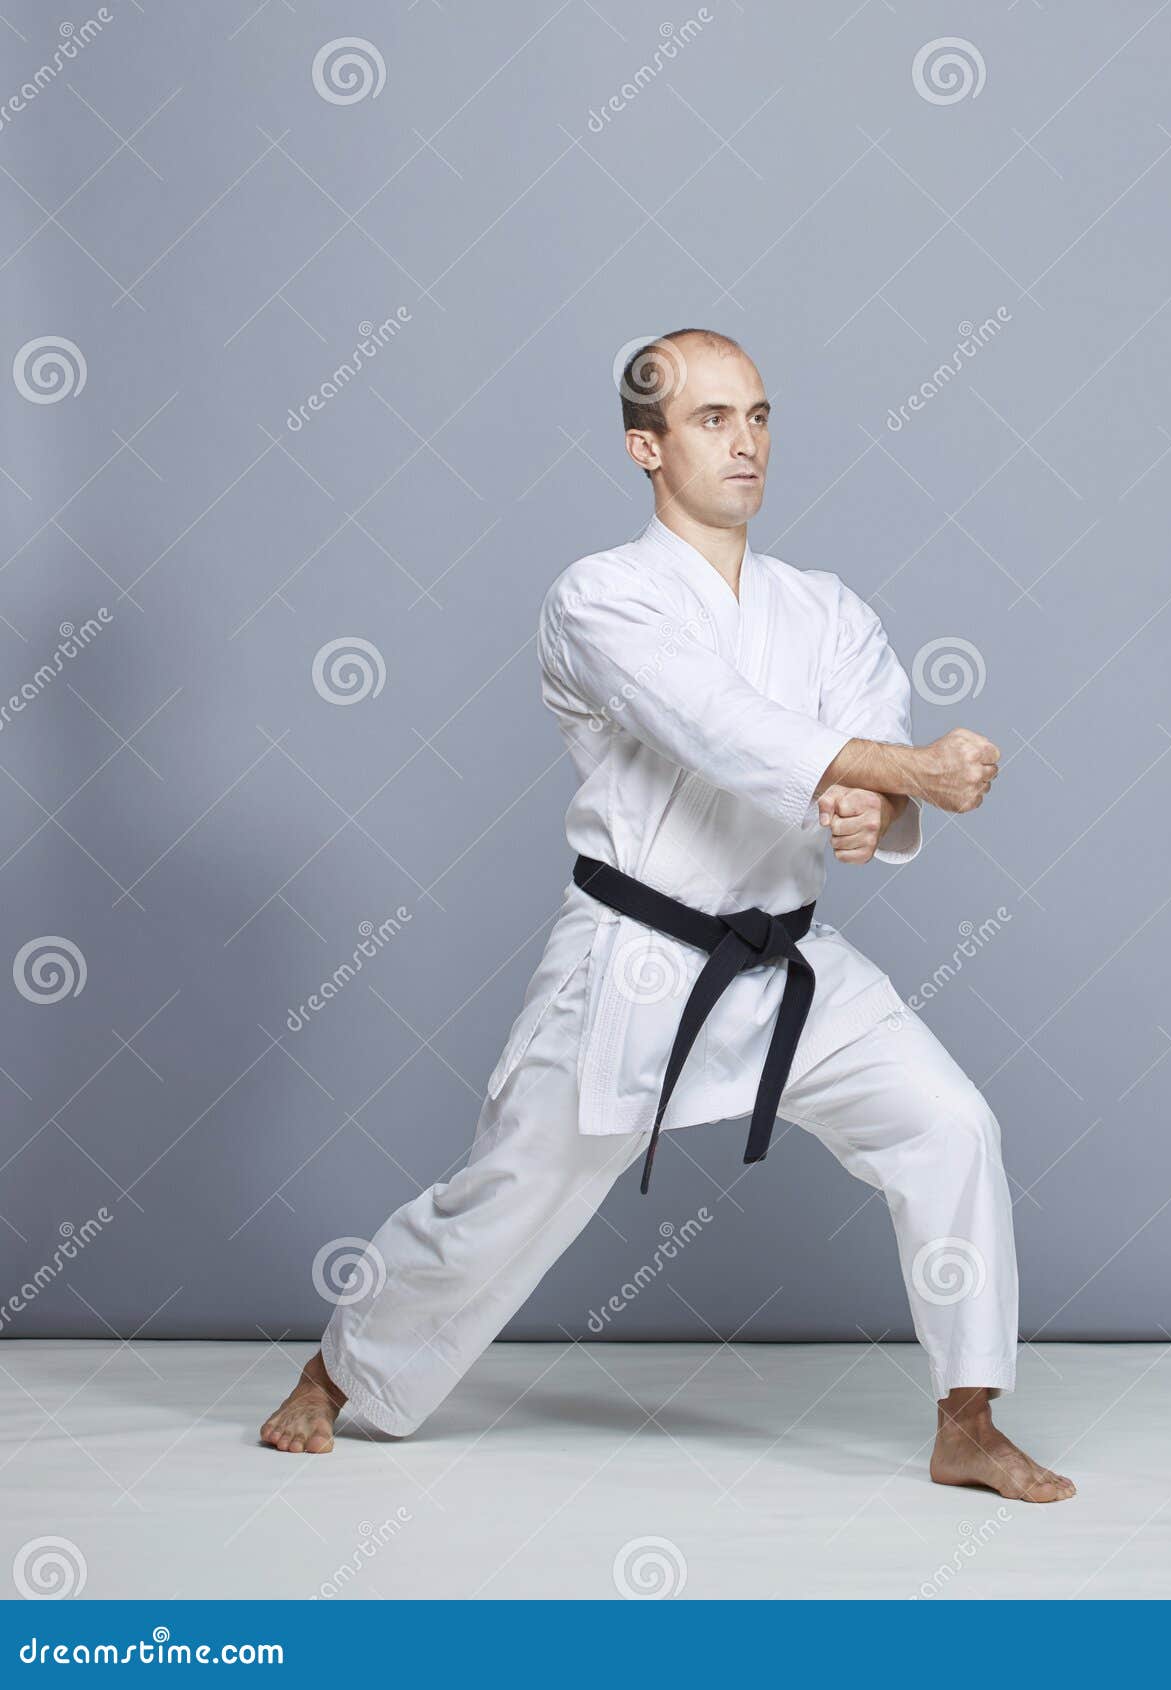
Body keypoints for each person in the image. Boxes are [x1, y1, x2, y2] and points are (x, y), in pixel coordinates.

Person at [259, 328, 1074, 1504]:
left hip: (789, 958)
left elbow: (857, 725)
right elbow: (721, 723)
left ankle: (968, 1418)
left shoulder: (825, 605)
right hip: (635, 961)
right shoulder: (599, 597)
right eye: (709, 420)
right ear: (645, 446)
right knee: (506, 1200)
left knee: (950, 1125)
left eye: (757, 415)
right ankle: (339, 1372)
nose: (745, 443)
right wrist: (911, 770)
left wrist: (870, 802)